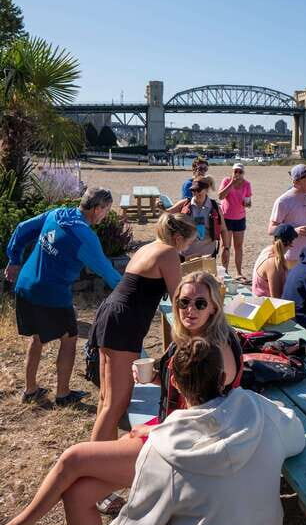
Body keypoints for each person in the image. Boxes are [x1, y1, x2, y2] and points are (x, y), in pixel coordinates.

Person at [4, 337, 305, 525]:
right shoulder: (260, 412)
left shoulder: (164, 449)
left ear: (174, 383)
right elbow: (297, 437)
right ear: (223, 377)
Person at [0, 271, 248, 525]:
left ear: (214, 307)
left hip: (182, 457)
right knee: (78, 493)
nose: (190, 310)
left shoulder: (216, 350)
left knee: (73, 459)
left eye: (200, 303)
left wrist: (155, 428)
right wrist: (155, 382)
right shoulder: (194, 339)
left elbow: (208, 421)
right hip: (168, 439)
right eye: (183, 302)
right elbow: (187, 400)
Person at [4, 187, 121, 406]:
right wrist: (131, 290)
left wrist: (14, 259)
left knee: (37, 337)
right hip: (51, 295)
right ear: (97, 209)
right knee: (69, 338)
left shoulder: (57, 214)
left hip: (25, 286)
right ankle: (63, 395)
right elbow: (107, 271)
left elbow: (22, 228)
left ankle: (30, 390)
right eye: (107, 210)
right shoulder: (84, 237)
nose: (106, 215)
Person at [88, 213, 197, 444]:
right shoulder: (169, 253)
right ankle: (95, 458)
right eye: (189, 242)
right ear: (178, 238)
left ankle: (100, 453)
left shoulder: (148, 247)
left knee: (107, 398)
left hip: (111, 313)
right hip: (124, 322)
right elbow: (180, 298)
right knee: (117, 402)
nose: (188, 247)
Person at [268, 164, 306, 268]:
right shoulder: (283, 201)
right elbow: (271, 230)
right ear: (296, 182)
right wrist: (293, 231)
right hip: (290, 257)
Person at [167, 177, 226, 260]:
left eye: (198, 190)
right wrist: (160, 206)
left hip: (207, 255)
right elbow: (166, 213)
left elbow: (223, 229)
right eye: (193, 190)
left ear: (206, 190)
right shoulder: (185, 204)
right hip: (186, 255)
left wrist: (226, 248)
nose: (195, 193)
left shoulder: (215, 207)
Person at [218, 163, 252, 282]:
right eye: (235, 171)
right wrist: (231, 184)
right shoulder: (226, 181)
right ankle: (225, 272)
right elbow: (220, 196)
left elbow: (248, 201)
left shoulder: (247, 184)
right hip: (226, 218)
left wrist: (247, 203)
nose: (237, 174)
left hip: (240, 218)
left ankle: (238, 273)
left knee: (238, 247)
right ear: (232, 172)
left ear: (243, 173)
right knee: (225, 246)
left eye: (240, 172)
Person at [251, 224, 298, 298]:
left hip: (257, 298)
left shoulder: (267, 250)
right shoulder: (274, 263)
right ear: (290, 243)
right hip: (264, 303)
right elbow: (277, 298)